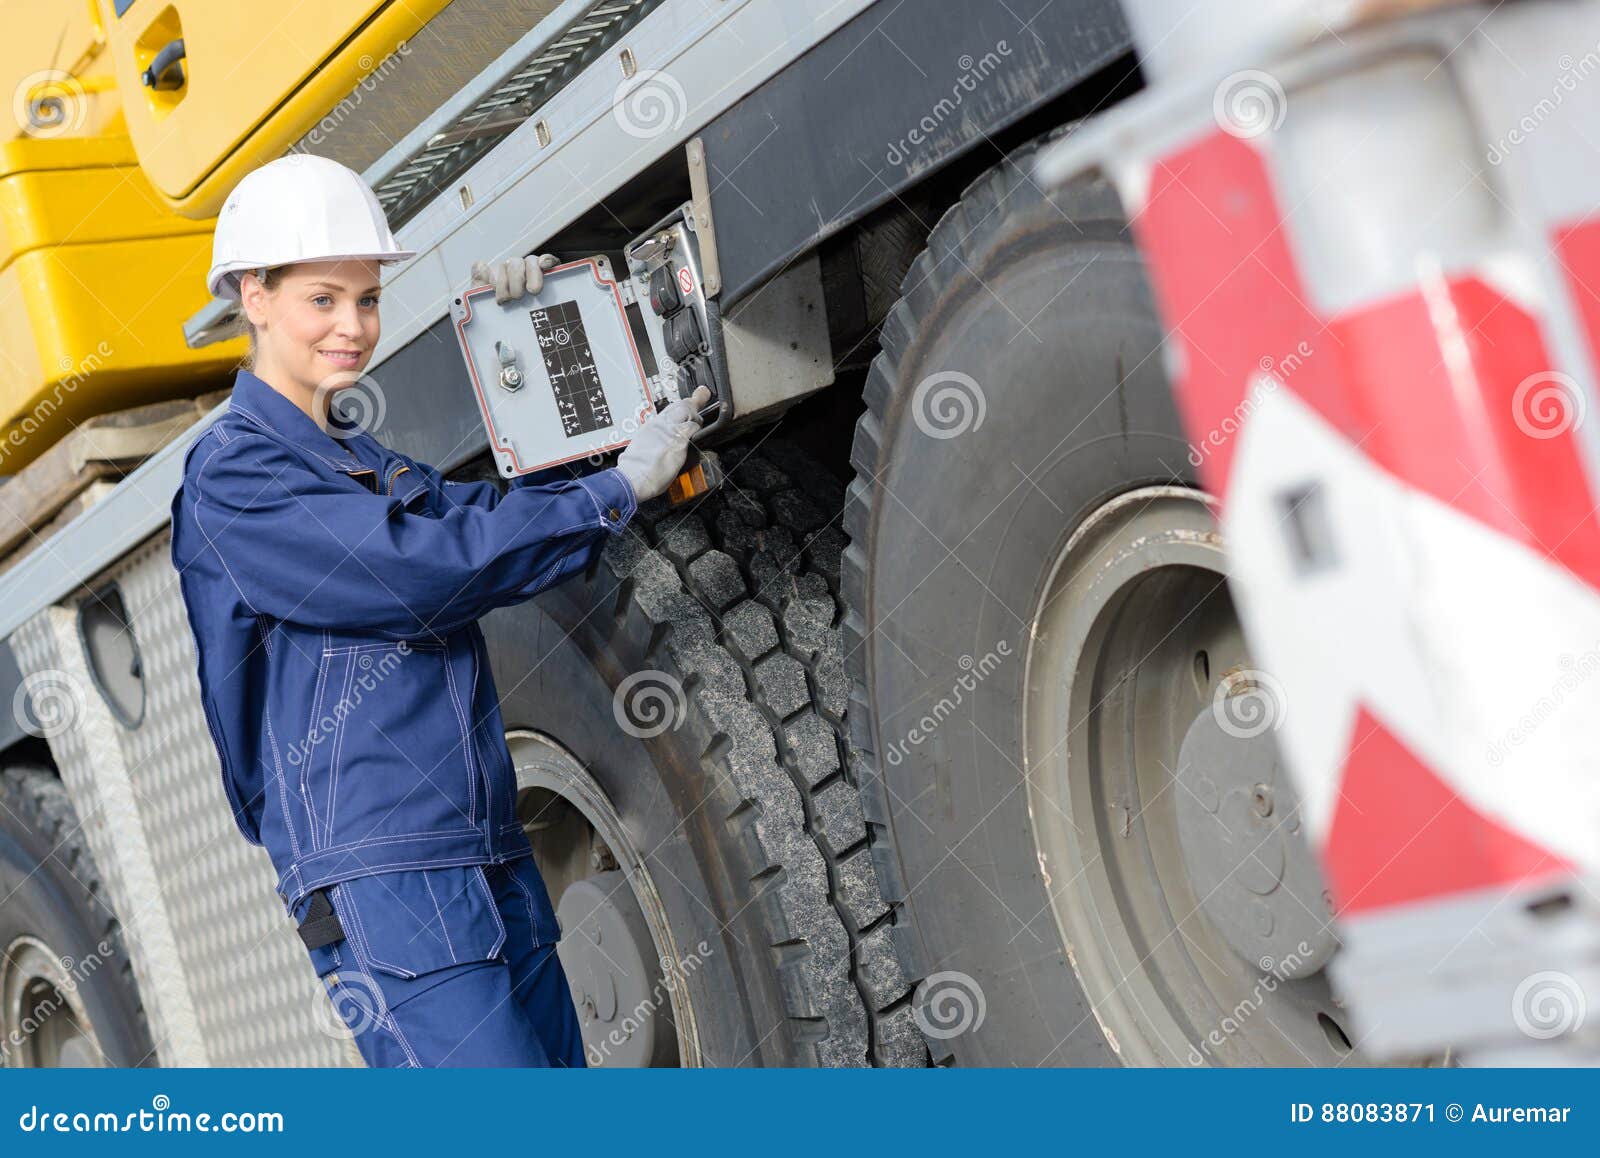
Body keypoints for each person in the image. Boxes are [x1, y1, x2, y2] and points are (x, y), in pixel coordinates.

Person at [169, 153, 708, 1067]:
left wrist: (539, 330)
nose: (353, 327)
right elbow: (415, 570)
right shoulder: (233, 474)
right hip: (384, 869)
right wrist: (610, 492)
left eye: (367, 300)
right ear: (253, 297)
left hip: (479, 844)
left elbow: (487, 524)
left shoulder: (355, 460)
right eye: (322, 300)